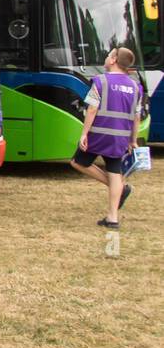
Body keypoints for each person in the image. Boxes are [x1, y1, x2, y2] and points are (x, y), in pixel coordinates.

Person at [69, 47, 143, 229]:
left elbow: (92, 109)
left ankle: (118, 188)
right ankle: (112, 218)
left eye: (109, 54)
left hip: (99, 135)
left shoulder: (100, 82)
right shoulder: (135, 87)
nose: (107, 57)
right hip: (120, 138)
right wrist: (133, 140)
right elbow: (136, 116)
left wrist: (84, 133)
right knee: (115, 171)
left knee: (78, 162)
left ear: (114, 60)